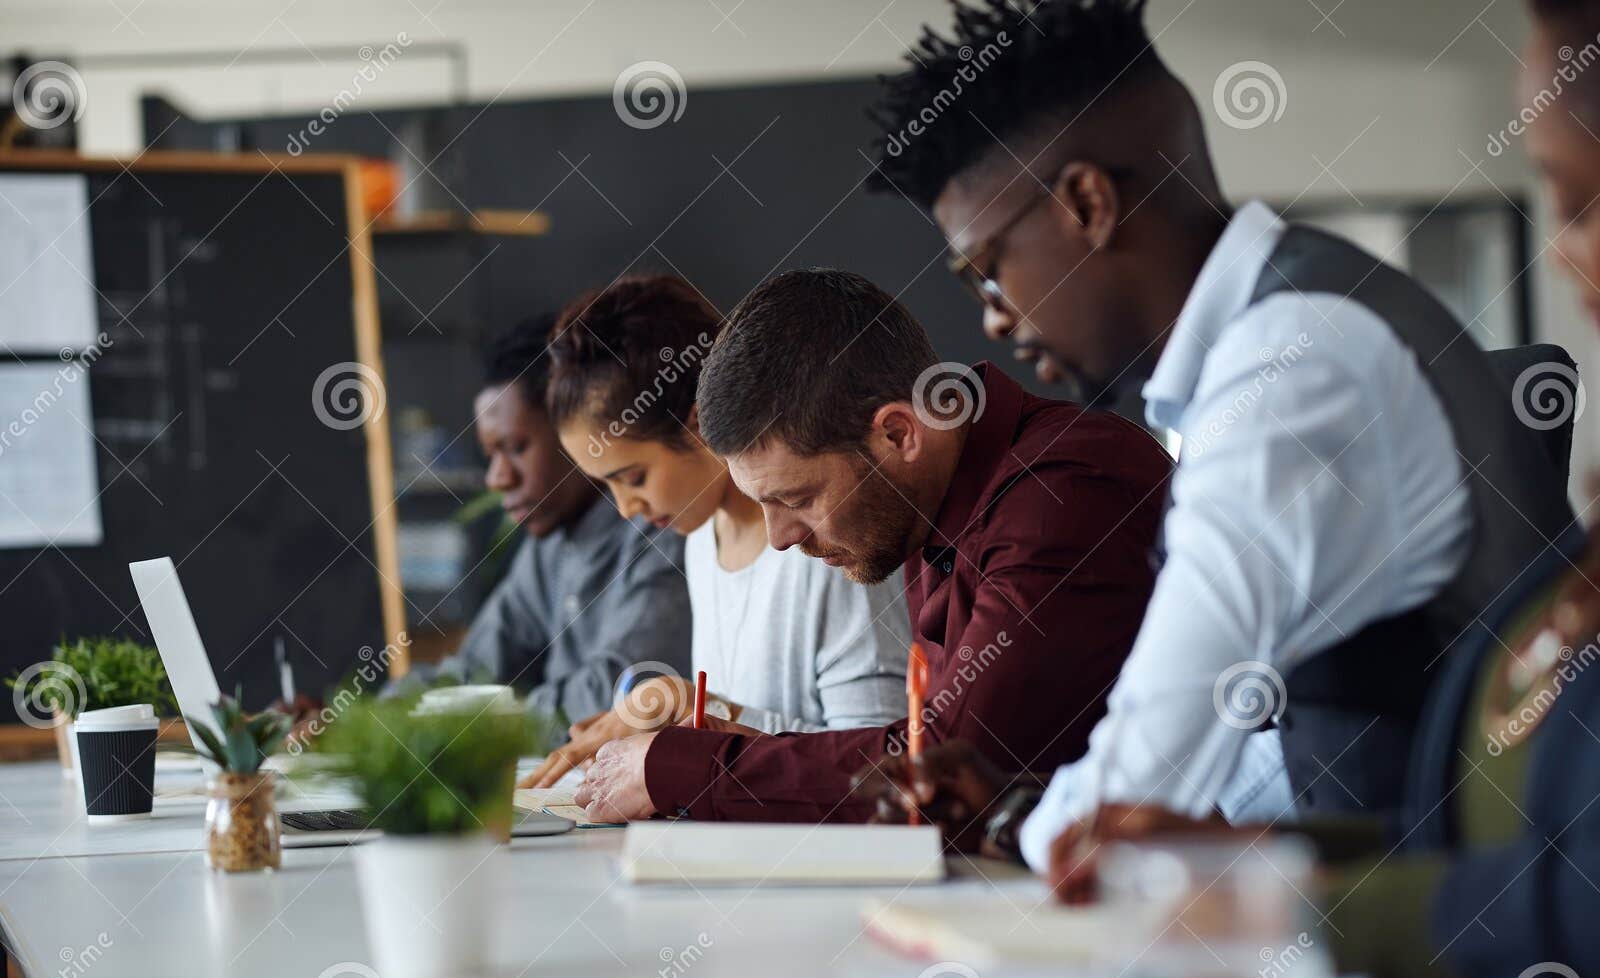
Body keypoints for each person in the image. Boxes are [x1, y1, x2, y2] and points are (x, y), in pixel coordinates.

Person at [914, 0, 1600, 978]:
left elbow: (1158, 754)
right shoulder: (1255, 355)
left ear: (1088, 205)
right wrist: (1045, 816)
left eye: (987, 267)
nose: (992, 315)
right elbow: (1265, 752)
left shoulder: (1290, 371)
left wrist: (1065, 830)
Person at [572, 268, 1171, 824]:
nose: (779, 539)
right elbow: (916, 743)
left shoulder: (1063, 494)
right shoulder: (920, 512)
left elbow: (944, 769)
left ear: (897, 433)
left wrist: (686, 768)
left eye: (798, 499)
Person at [518, 275, 910, 789]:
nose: (626, 508)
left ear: (700, 426)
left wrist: (693, 711)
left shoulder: (830, 543)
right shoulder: (701, 540)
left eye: (633, 478)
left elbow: (884, 770)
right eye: (606, 487)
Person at [398, 315, 692, 727]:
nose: (497, 477)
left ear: (579, 429)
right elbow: (474, 670)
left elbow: (624, 691)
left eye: (516, 448)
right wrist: (364, 719)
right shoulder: (549, 546)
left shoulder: (661, 525)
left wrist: (479, 718)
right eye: (491, 455)